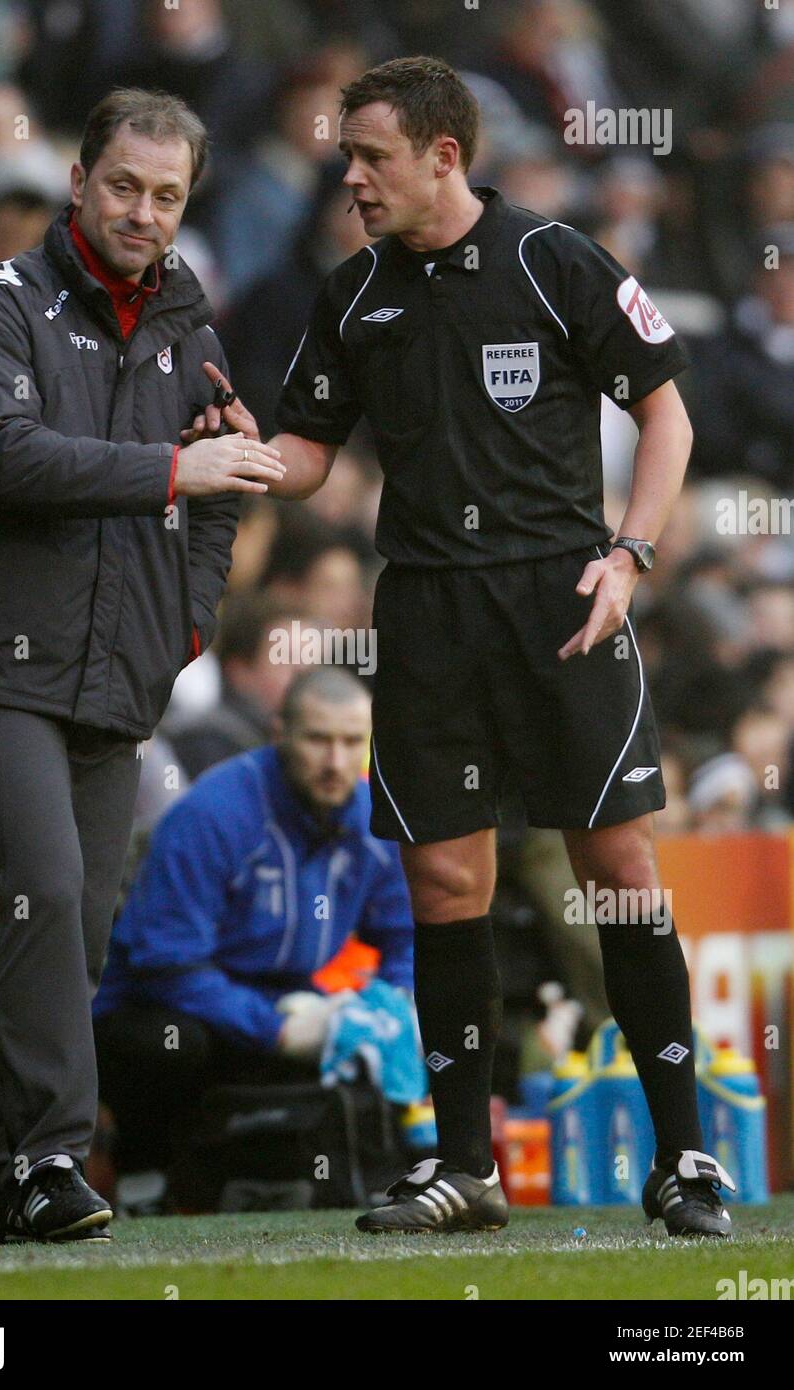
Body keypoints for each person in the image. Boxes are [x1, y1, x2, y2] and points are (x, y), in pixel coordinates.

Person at [186, 57, 736, 1237]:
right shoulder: (351, 293)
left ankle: (684, 1155)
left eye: (370, 157)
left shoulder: (553, 260)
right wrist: (243, 446)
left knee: (621, 878)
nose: (351, 178)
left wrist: (628, 555)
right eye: (343, 158)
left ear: (443, 155)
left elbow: (665, 409)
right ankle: (464, 1167)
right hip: (428, 608)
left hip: (559, 602)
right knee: (443, 883)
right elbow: (311, 456)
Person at [0, 86, 284, 1247]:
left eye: (167, 195)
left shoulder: (189, 334)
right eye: (124, 185)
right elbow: (14, 460)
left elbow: (234, 480)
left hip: (118, 674)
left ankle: (8, 1176)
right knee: (48, 890)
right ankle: (59, 1153)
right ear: (76, 181)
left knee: (75, 926)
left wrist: (189, 624)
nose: (143, 212)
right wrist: (174, 474)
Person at [92, 667, 414, 1192]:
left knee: (367, 1048)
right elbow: (166, 963)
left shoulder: (370, 819)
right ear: (279, 733)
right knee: (170, 1046)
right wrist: (274, 1028)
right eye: (318, 740)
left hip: (281, 1002)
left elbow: (404, 934)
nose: (336, 762)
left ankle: (272, 1183)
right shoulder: (214, 813)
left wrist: (397, 1005)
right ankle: (141, 1175)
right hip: (164, 1009)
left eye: (352, 742)